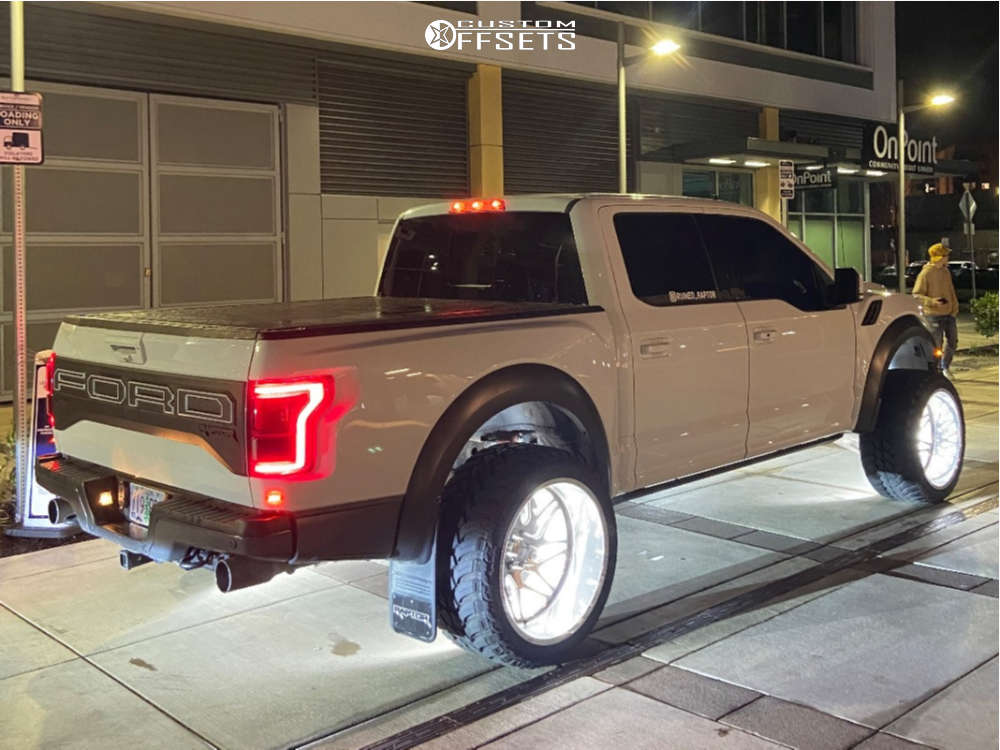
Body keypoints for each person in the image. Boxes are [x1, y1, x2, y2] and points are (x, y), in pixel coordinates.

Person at [912, 243, 959, 375]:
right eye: (945, 255)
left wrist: (954, 308)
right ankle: (936, 370)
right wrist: (932, 302)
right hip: (933, 315)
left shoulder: (946, 272)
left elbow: (951, 291)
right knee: (936, 345)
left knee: (953, 342)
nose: (947, 257)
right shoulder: (925, 273)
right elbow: (916, 295)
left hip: (949, 314)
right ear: (938, 257)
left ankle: (945, 366)